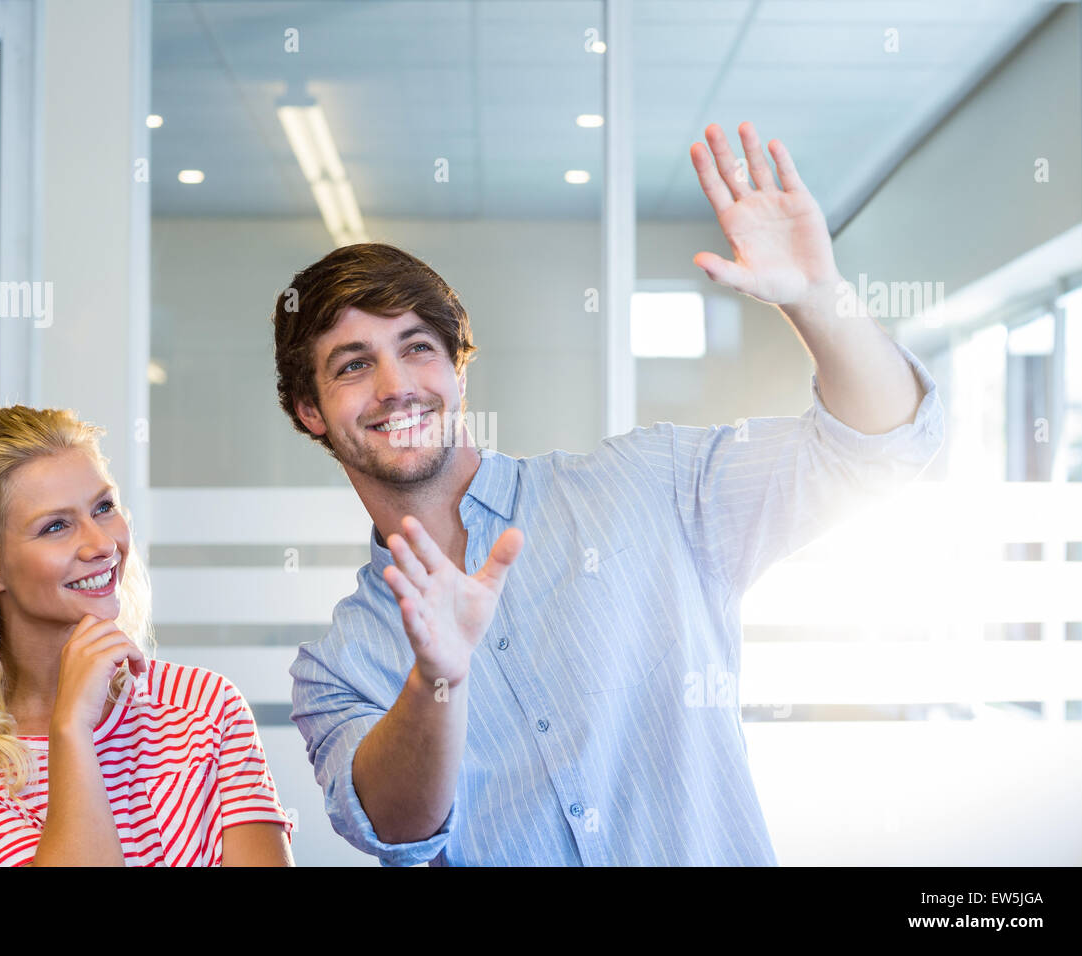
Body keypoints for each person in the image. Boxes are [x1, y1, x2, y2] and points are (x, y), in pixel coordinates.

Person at [278, 122, 945, 865]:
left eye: (417, 348)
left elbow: (881, 448)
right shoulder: (338, 666)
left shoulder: (648, 486)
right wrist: (438, 678)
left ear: (458, 372)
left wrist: (820, 300)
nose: (396, 386)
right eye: (352, 366)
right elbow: (395, 830)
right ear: (310, 411)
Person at [0, 406, 293, 866]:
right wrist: (71, 730)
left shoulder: (205, 705)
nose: (101, 545)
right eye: (56, 526)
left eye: (103, 508)